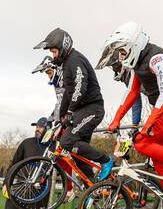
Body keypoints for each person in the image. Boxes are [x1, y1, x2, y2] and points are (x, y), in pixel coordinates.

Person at [98, 23, 163, 200]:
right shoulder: (137, 63)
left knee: (141, 142)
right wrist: (116, 120)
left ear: (133, 46)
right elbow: (132, 92)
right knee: (160, 161)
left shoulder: (157, 58)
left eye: (123, 52)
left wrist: (148, 124)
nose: (121, 57)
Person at [33, 28, 109, 172]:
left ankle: (106, 161)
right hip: (81, 110)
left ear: (63, 48)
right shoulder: (66, 64)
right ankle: (92, 188)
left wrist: (69, 111)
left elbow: (80, 87)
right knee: (75, 153)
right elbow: (67, 94)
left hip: (93, 108)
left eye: (54, 52)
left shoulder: (75, 59)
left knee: (67, 141)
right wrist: (61, 116)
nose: (53, 56)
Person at [0, 118, 52, 209]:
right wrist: (5, 184)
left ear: (48, 129)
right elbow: (13, 165)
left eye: (40, 127)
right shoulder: (27, 143)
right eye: (36, 127)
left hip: (39, 194)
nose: (37, 129)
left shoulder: (55, 147)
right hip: (19, 190)